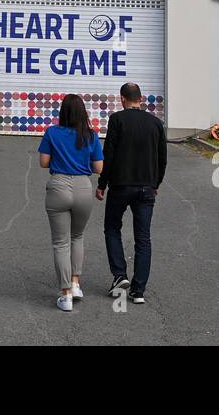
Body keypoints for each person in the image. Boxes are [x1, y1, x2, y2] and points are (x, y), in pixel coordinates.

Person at [96, 82, 166, 305]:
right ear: (141, 99)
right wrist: (156, 183)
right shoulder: (156, 124)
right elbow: (162, 158)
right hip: (146, 188)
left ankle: (119, 275)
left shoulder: (117, 120)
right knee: (143, 238)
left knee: (112, 228)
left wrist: (102, 184)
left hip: (120, 186)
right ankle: (138, 290)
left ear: (122, 99)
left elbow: (110, 153)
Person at [38, 94, 105, 312]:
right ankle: (76, 284)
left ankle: (65, 294)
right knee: (77, 236)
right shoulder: (91, 135)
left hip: (58, 186)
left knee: (60, 242)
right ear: (83, 112)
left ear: (62, 112)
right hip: (84, 187)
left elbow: (43, 162)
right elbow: (99, 168)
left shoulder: (52, 132)